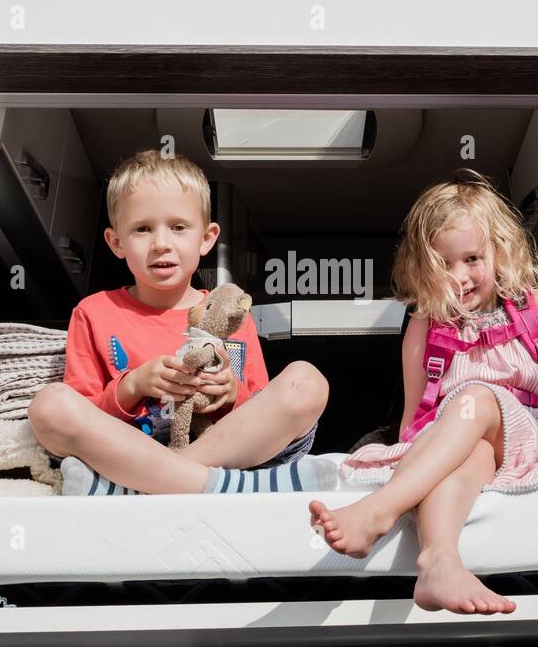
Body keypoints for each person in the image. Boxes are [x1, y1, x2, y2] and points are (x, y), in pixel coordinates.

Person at [309, 170, 538, 615]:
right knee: (473, 449)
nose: (459, 276)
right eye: (443, 264)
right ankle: (437, 562)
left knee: (475, 399)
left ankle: (378, 512)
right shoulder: (425, 325)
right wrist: (414, 459)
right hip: (464, 441)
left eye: (472, 259)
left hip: (528, 437)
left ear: (500, 251)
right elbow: (412, 416)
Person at [29, 149, 333, 495]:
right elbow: (83, 410)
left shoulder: (228, 313)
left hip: (219, 446)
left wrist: (229, 393)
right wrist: (133, 386)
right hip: (130, 448)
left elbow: (258, 412)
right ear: (116, 243)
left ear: (206, 238)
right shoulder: (94, 311)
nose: (161, 244)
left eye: (178, 227)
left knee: (307, 381)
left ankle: (152, 485)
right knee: (49, 405)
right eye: (142, 229)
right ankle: (229, 486)